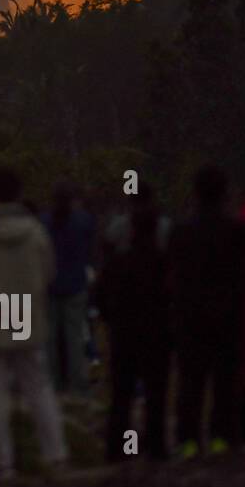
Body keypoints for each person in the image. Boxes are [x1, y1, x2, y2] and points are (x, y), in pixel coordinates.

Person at [0, 167, 67, 478]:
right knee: (39, 388)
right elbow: (49, 272)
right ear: (18, 193)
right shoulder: (36, 230)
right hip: (28, 317)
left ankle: (4, 464)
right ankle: (56, 454)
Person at [168, 164, 245, 457]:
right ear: (224, 193)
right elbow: (243, 275)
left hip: (190, 317)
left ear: (196, 193)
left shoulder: (180, 232)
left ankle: (188, 441)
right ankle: (221, 438)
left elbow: (174, 276)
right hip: (227, 316)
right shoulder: (237, 230)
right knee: (225, 382)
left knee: (190, 382)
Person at [93, 184, 171, 461]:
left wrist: (110, 318)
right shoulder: (165, 263)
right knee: (156, 393)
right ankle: (156, 446)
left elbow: (99, 294)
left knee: (121, 394)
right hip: (158, 334)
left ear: (132, 229)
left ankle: (117, 448)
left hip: (124, 333)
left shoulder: (119, 261)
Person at [42, 183, 95, 396]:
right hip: (75, 284)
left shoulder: (44, 222)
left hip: (50, 284)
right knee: (74, 337)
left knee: (50, 338)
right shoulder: (83, 220)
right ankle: (78, 384)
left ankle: (53, 383)